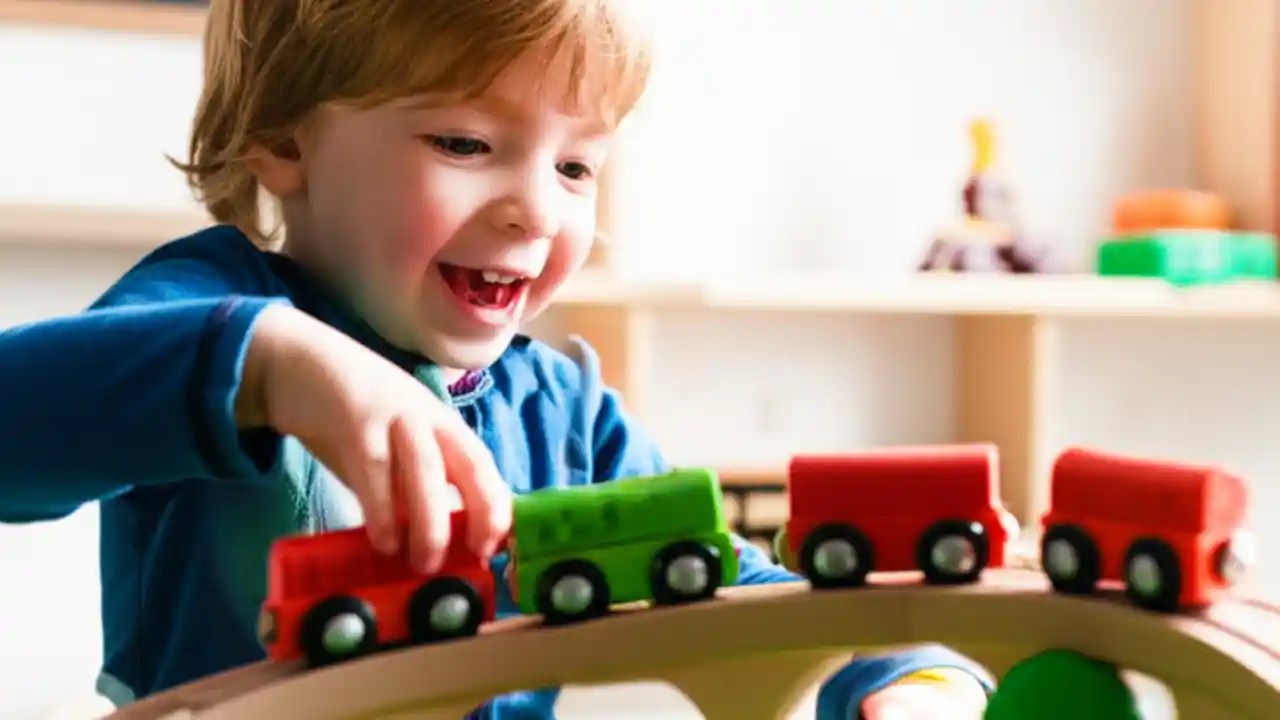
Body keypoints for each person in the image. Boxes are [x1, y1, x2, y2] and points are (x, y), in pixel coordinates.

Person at [0, 1, 994, 717]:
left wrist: (897, 671)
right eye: (464, 143)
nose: (536, 208)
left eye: (574, 166)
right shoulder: (216, 320)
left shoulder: (563, 410)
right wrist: (272, 366)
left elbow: (732, 585)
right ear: (282, 141)